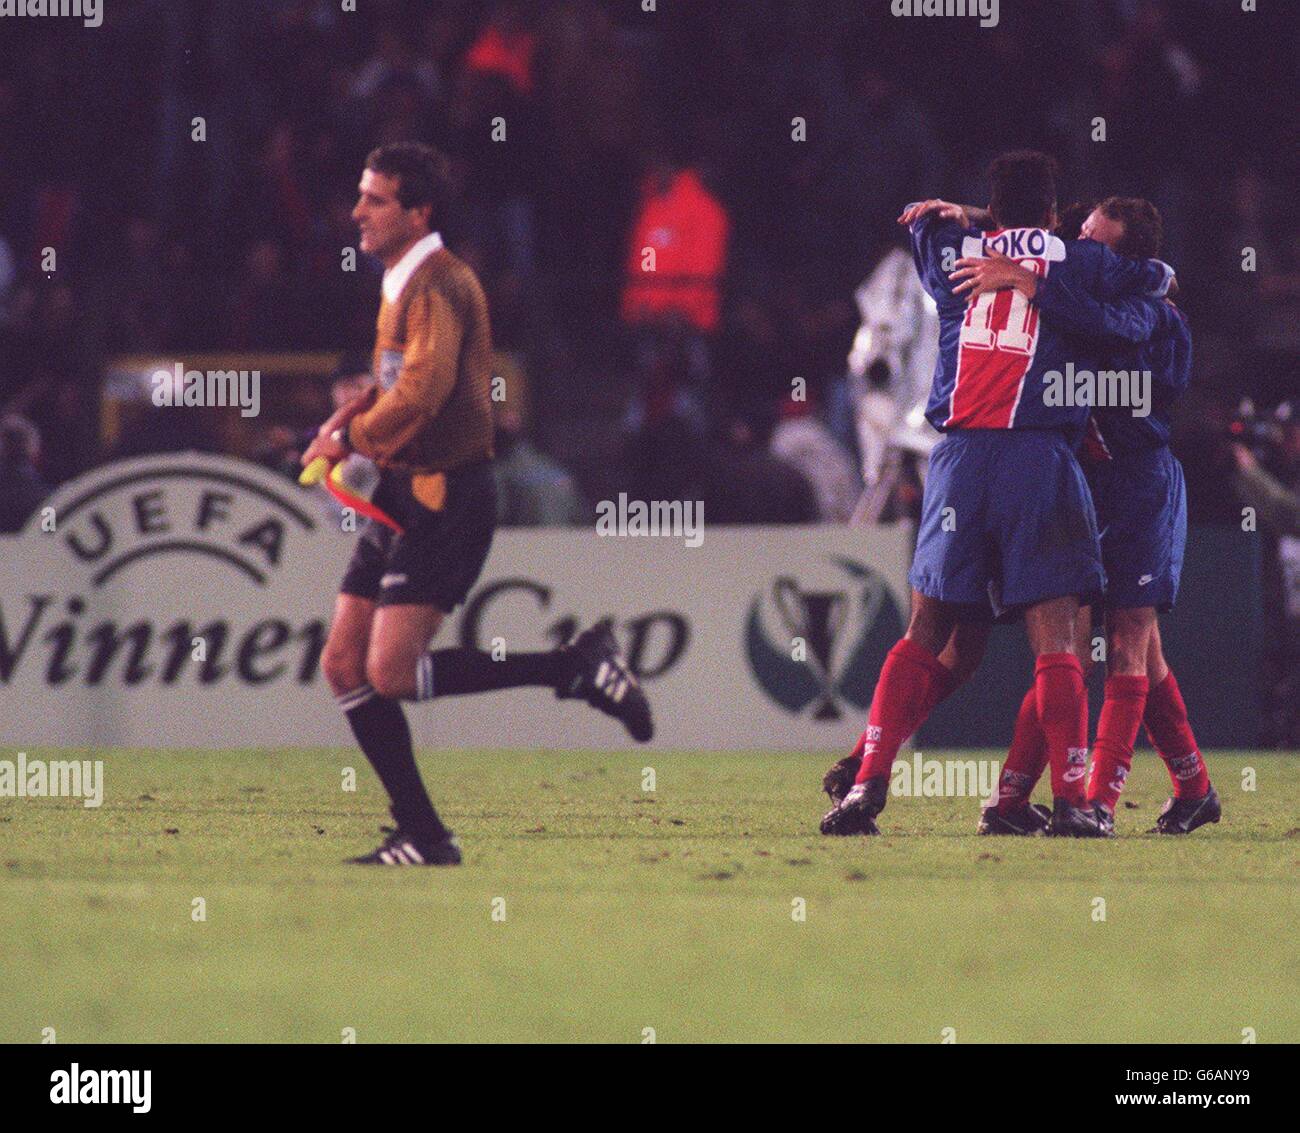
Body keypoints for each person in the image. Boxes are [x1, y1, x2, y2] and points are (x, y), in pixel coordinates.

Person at [302, 142, 652, 867]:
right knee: (343, 662)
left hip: (447, 492)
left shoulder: (439, 284)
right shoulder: (402, 276)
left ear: (417, 210)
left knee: (391, 673)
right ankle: (425, 835)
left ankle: (573, 669)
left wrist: (352, 440)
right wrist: (347, 422)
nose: (357, 210)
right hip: (404, 487)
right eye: (360, 195)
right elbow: (396, 383)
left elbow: (425, 393)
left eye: (374, 198)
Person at [818, 151, 1173, 839]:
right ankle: (1072, 799)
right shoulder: (1076, 259)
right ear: (1052, 212)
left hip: (956, 459)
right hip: (1036, 457)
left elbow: (925, 232)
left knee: (927, 629)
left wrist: (964, 217)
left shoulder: (950, 248)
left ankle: (865, 786)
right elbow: (1152, 280)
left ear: (990, 203)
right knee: (1057, 637)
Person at [948, 197, 1217, 835]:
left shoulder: (1152, 314)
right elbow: (1048, 243)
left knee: (1123, 643)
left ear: (1128, 261)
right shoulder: (1074, 300)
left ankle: (1094, 803)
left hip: (1140, 486)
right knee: (1091, 652)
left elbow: (1114, 327)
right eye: (1081, 235)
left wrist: (1028, 280)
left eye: (1098, 242)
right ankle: (1188, 789)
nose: (1081, 247)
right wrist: (971, 216)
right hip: (1083, 483)